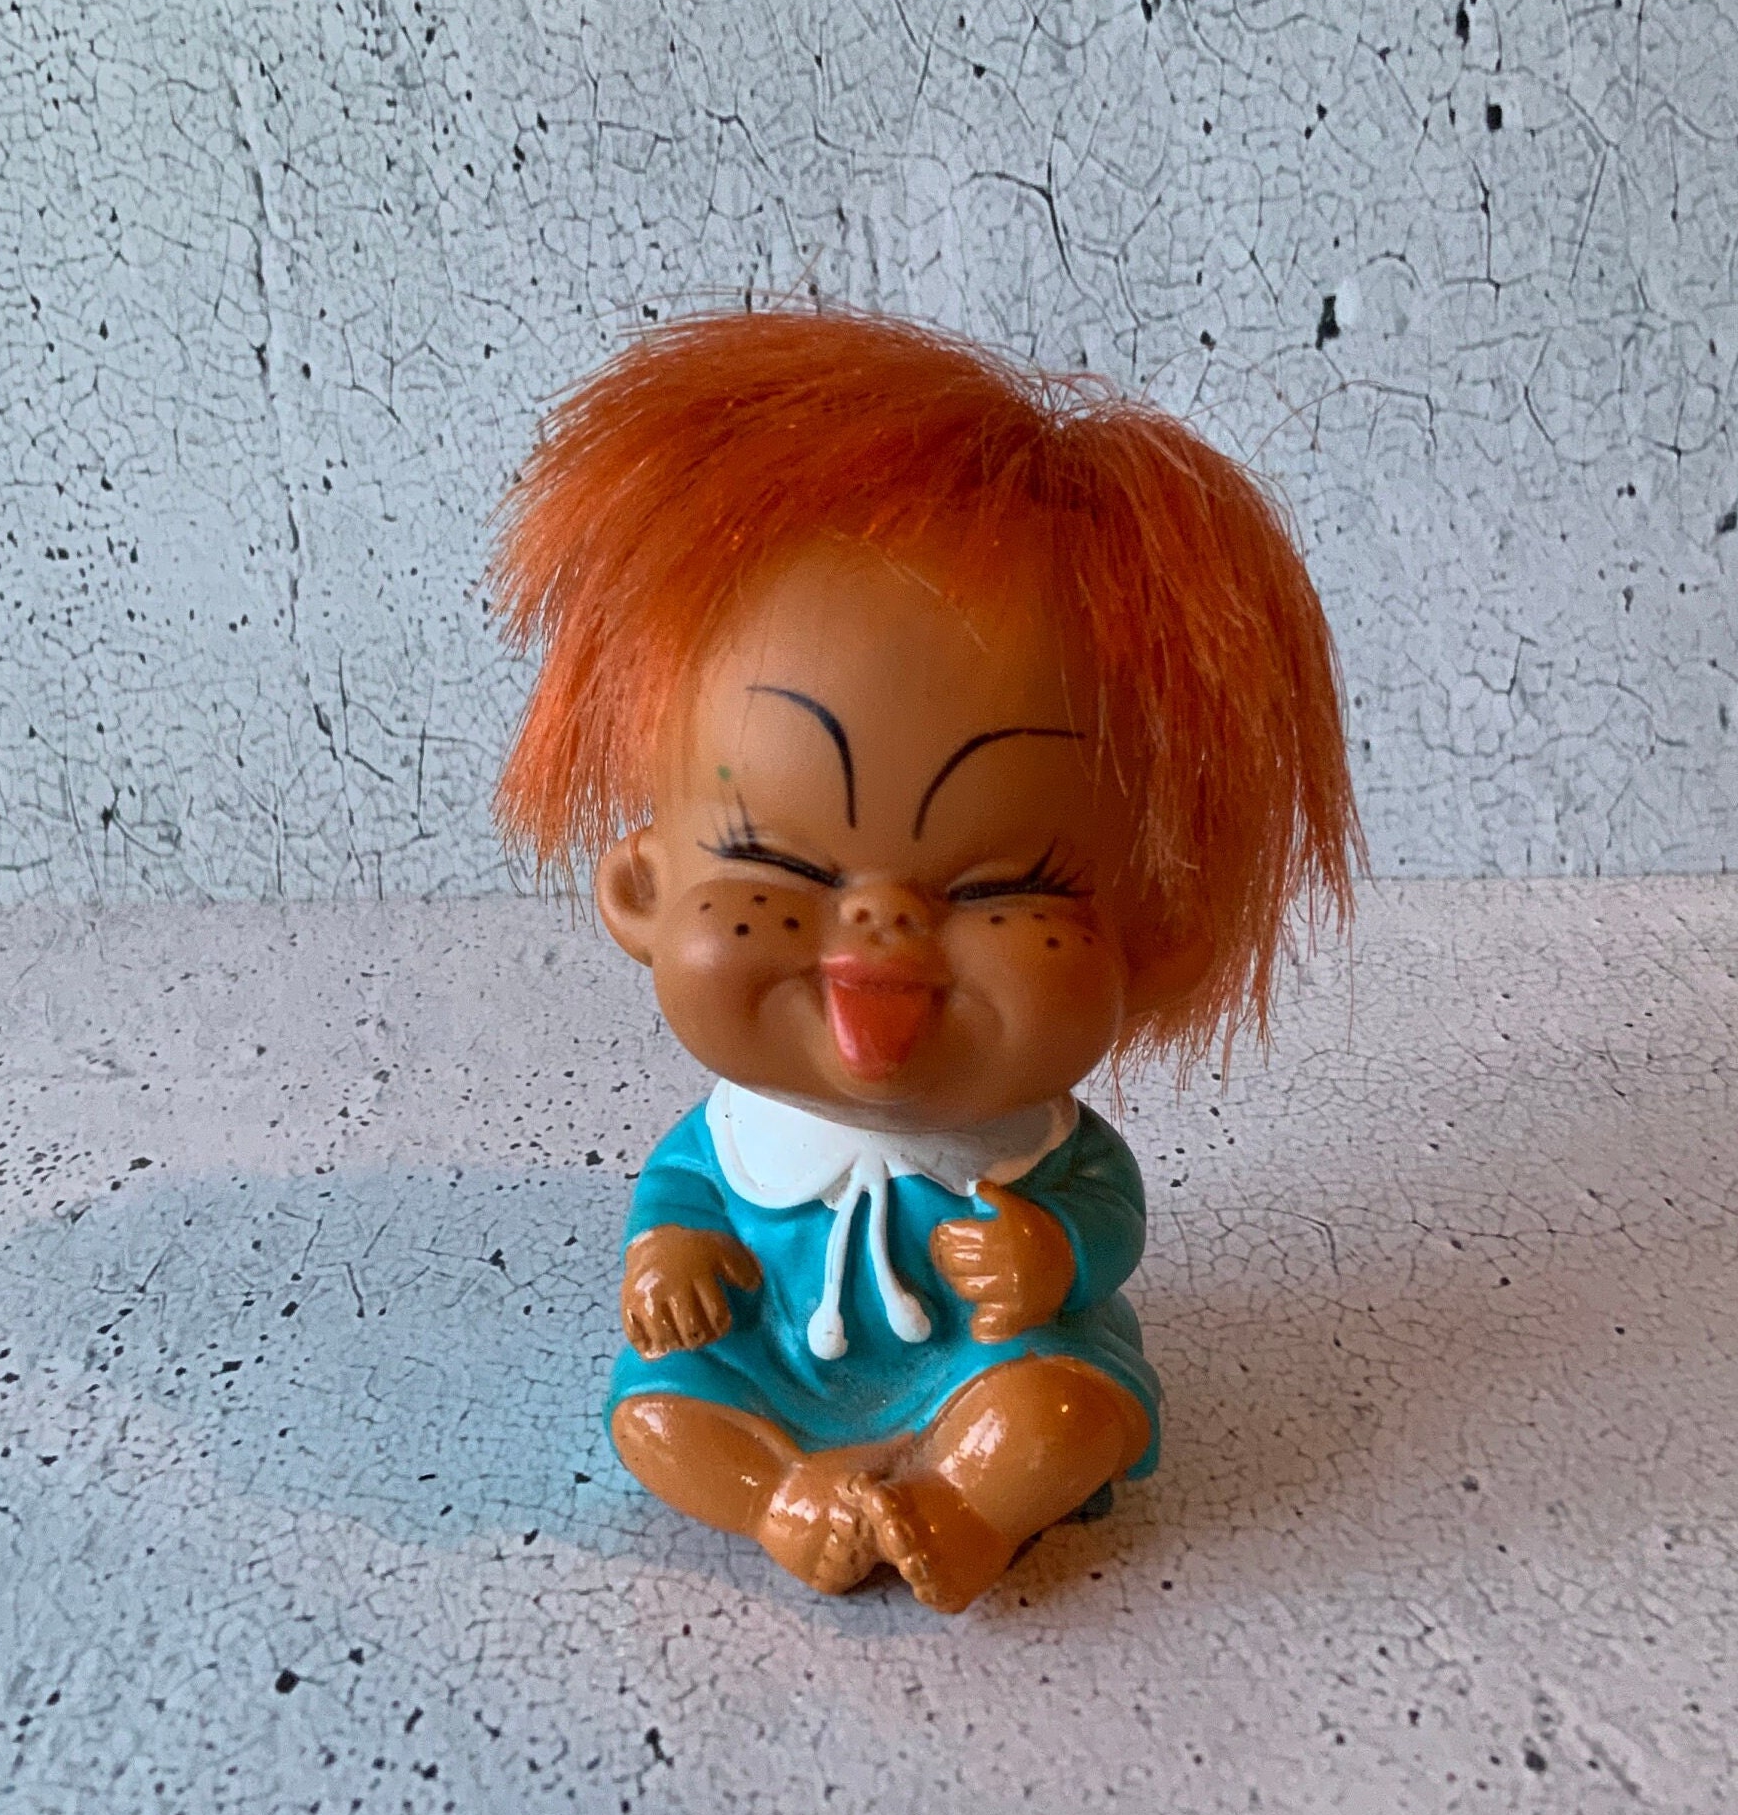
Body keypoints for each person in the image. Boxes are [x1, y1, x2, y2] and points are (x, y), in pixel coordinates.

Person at [491, 308, 1358, 1611]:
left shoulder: (1031, 1145)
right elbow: (683, 1194)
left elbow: (1103, 1211)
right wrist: (667, 1258)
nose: (878, 929)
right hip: (767, 1364)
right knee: (657, 1416)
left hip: (979, 1367)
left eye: (1001, 888)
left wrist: (1053, 1257)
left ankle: (960, 1504)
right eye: (778, 868)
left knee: (1061, 1410)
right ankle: (781, 1494)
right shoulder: (735, 1139)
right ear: (640, 889)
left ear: (1155, 936)